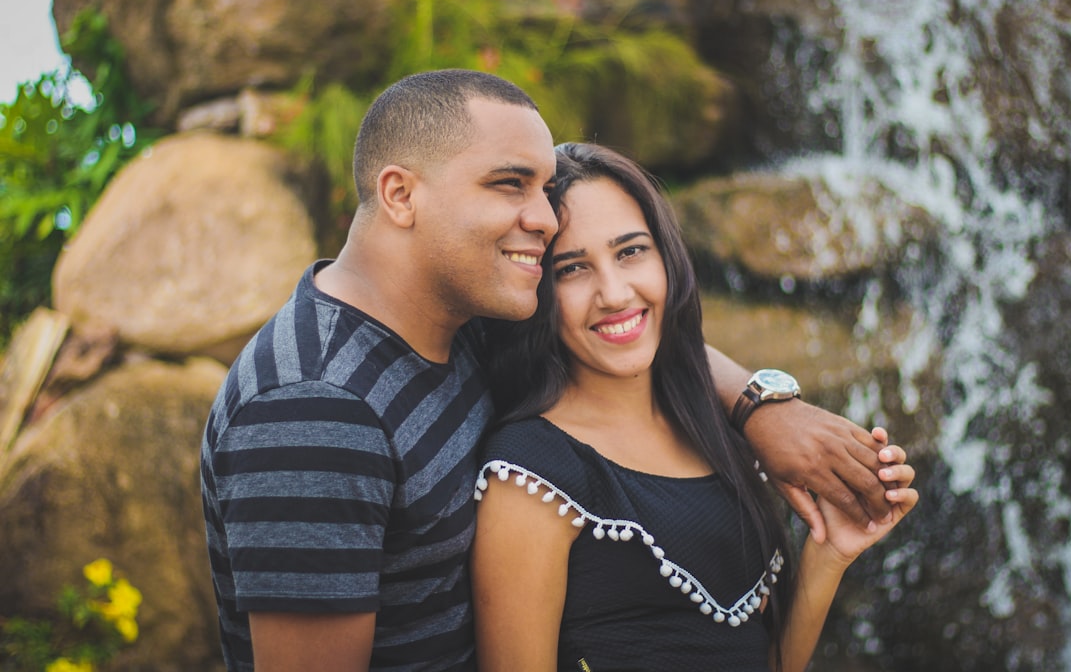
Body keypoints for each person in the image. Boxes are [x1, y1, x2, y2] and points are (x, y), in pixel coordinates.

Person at [201, 70, 900, 672]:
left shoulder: (456, 319)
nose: (542, 215)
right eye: (511, 184)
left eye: (541, 187)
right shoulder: (315, 410)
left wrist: (763, 408)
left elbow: (637, 332)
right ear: (400, 195)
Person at [471, 142, 918, 671]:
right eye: (571, 269)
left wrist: (831, 554)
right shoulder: (528, 474)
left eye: (631, 251)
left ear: (668, 255)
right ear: (539, 288)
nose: (614, 293)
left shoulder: (717, 429)